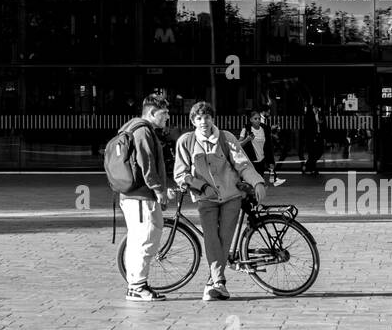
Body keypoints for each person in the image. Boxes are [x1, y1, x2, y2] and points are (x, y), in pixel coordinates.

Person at [174, 101, 267, 301]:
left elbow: (243, 164)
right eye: (199, 118)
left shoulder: (226, 138)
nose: (203, 122)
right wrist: (200, 185)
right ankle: (217, 282)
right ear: (193, 121)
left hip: (231, 196)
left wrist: (257, 182)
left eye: (207, 117)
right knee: (211, 238)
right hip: (205, 198)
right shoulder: (186, 142)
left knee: (223, 238)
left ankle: (216, 282)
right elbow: (180, 174)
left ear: (212, 119)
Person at [116, 93, 176, 301]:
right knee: (146, 239)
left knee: (137, 240)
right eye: (164, 113)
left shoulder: (132, 127)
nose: (167, 116)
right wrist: (159, 190)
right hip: (141, 197)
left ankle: (135, 284)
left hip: (132, 196)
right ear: (152, 112)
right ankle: (137, 286)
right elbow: (147, 165)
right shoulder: (143, 131)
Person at [237, 111, 275, 180]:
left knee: (260, 182)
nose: (258, 120)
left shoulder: (264, 129)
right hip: (250, 162)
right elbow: (238, 145)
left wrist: (271, 162)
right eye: (255, 119)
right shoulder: (246, 130)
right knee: (250, 183)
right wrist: (247, 139)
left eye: (259, 119)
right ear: (251, 120)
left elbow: (268, 147)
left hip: (261, 162)